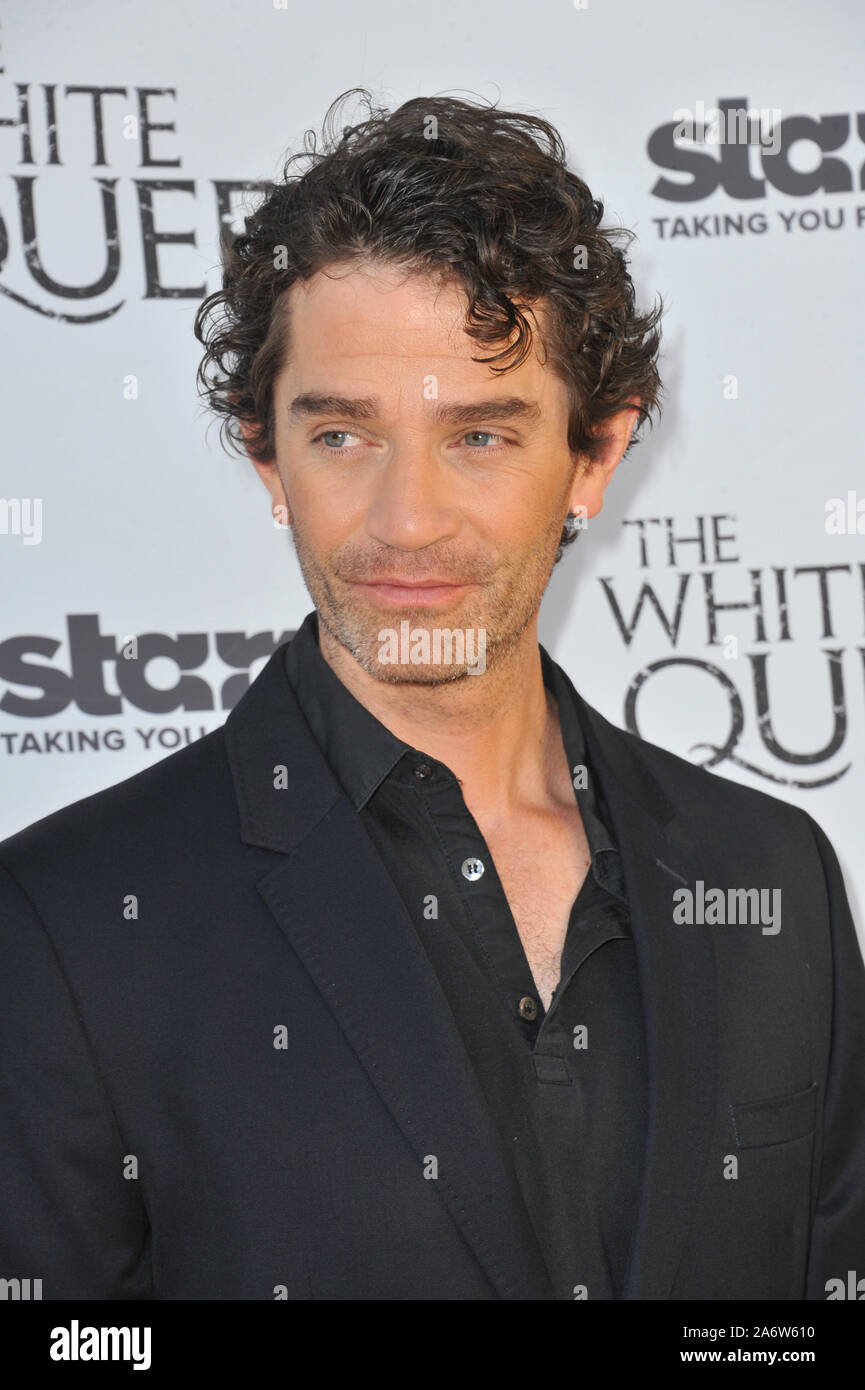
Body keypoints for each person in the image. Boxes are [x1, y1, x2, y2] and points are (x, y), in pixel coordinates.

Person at [1, 89, 862, 1301]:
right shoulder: (66, 924)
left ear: (597, 455)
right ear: (266, 454)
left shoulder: (772, 875)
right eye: (344, 436)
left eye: (480, 436)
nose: (407, 522)